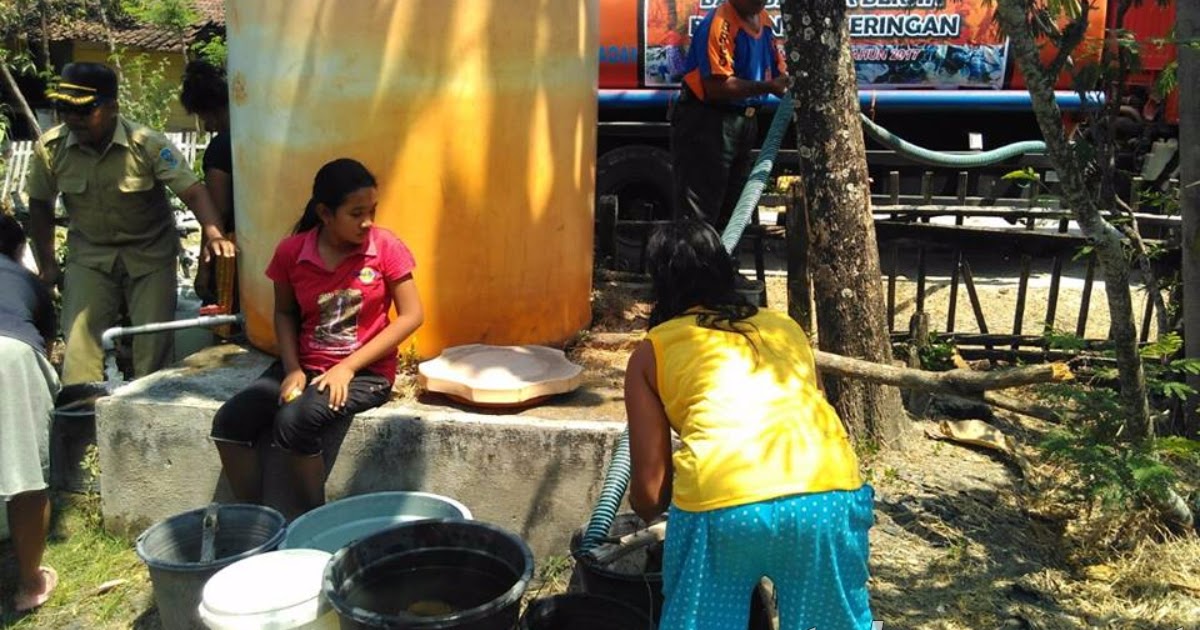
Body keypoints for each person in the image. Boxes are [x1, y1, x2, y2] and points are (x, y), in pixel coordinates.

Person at [623, 219, 874, 629]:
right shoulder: (785, 328)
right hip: (827, 498)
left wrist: (654, 515)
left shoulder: (653, 351)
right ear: (725, 270)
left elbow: (650, 494)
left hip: (722, 510)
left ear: (659, 284)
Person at [210, 158, 423, 514]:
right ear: (325, 213)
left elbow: (413, 315)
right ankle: (254, 520)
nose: (368, 222)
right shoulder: (292, 253)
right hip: (306, 364)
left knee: (295, 422)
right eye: (356, 213)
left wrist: (348, 368)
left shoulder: (385, 248)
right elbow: (285, 312)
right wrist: (292, 368)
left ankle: (313, 523)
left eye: (372, 210)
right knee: (230, 421)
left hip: (366, 373)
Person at [25, 62, 235, 386]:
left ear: (112, 107)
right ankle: (84, 421)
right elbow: (40, 205)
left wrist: (213, 232)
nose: (72, 119)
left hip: (149, 254)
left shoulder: (147, 144)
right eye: (64, 108)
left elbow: (193, 191)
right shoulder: (51, 149)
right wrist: (48, 264)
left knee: (153, 346)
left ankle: (148, 411)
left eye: (84, 110)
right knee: (80, 347)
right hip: (90, 255)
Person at [671, 0, 789, 233]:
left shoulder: (764, 21)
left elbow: (777, 69)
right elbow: (716, 87)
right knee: (701, 213)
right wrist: (767, 87)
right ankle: (696, 267)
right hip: (709, 122)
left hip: (745, 121)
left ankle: (725, 266)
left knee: (733, 211)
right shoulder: (720, 22)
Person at [0, 214, 60, 613]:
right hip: (9, 356)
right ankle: (31, 582)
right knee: (24, 475)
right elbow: (50, 345)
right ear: (19, 250)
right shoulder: (28, 282)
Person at [180, 60, 236, 307]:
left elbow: (217, 213)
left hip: (230, 253)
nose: (206, 125)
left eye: (203, 116)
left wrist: (204, 272)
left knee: (226, 326)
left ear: (211, 109)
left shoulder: (222, 146)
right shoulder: (257, 137)